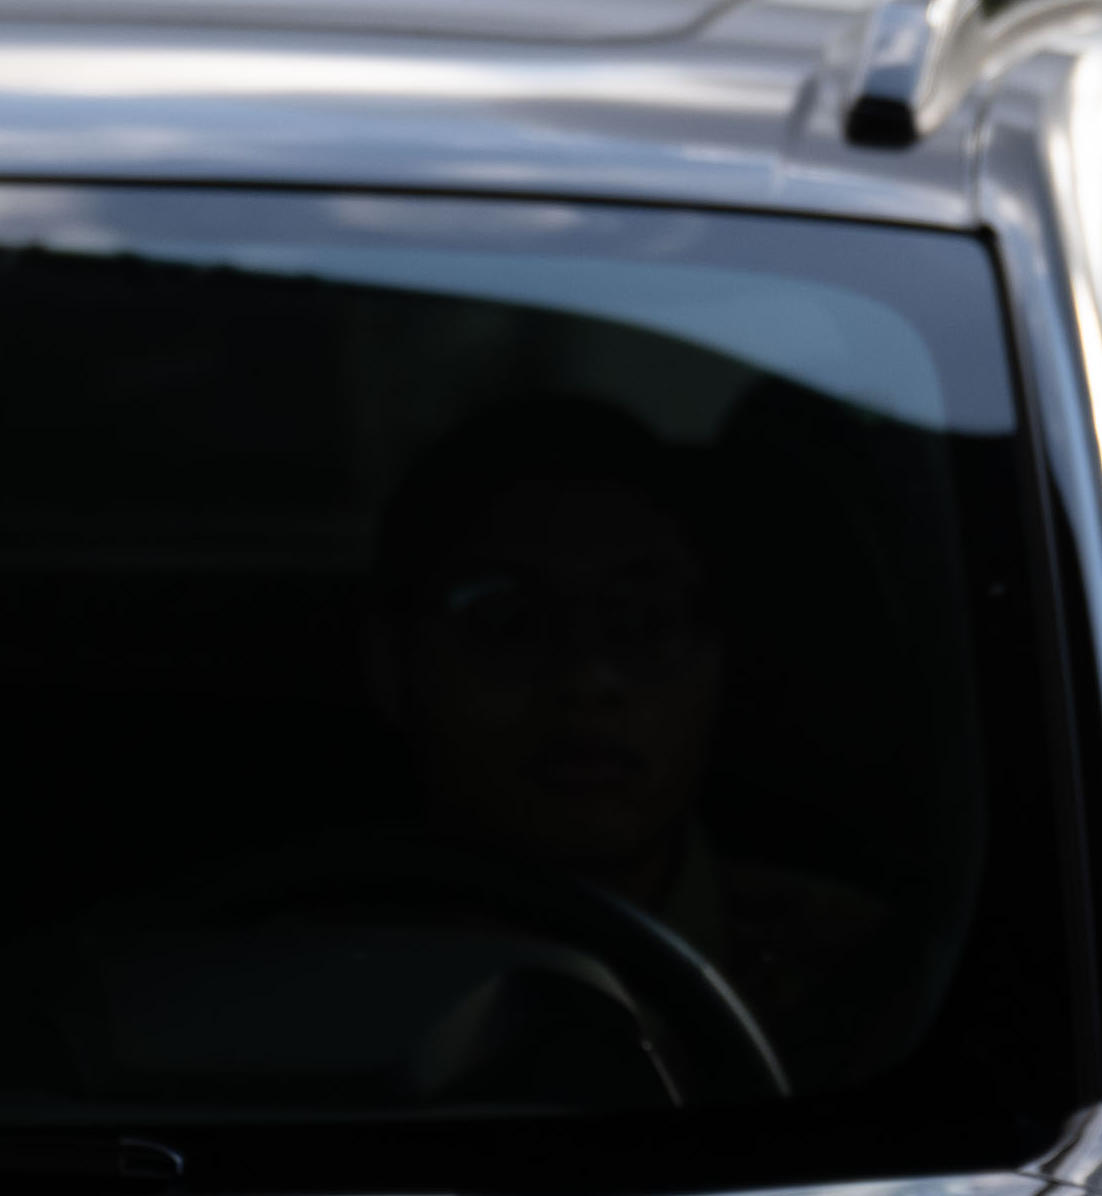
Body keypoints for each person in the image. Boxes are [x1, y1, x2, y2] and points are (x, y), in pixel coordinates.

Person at [362, 391, 910, 1083]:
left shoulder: (874, 986)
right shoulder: (285, 981)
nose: (586, 678)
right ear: (391, 665)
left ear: (721, 659)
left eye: (644, 619)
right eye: (508, 622)